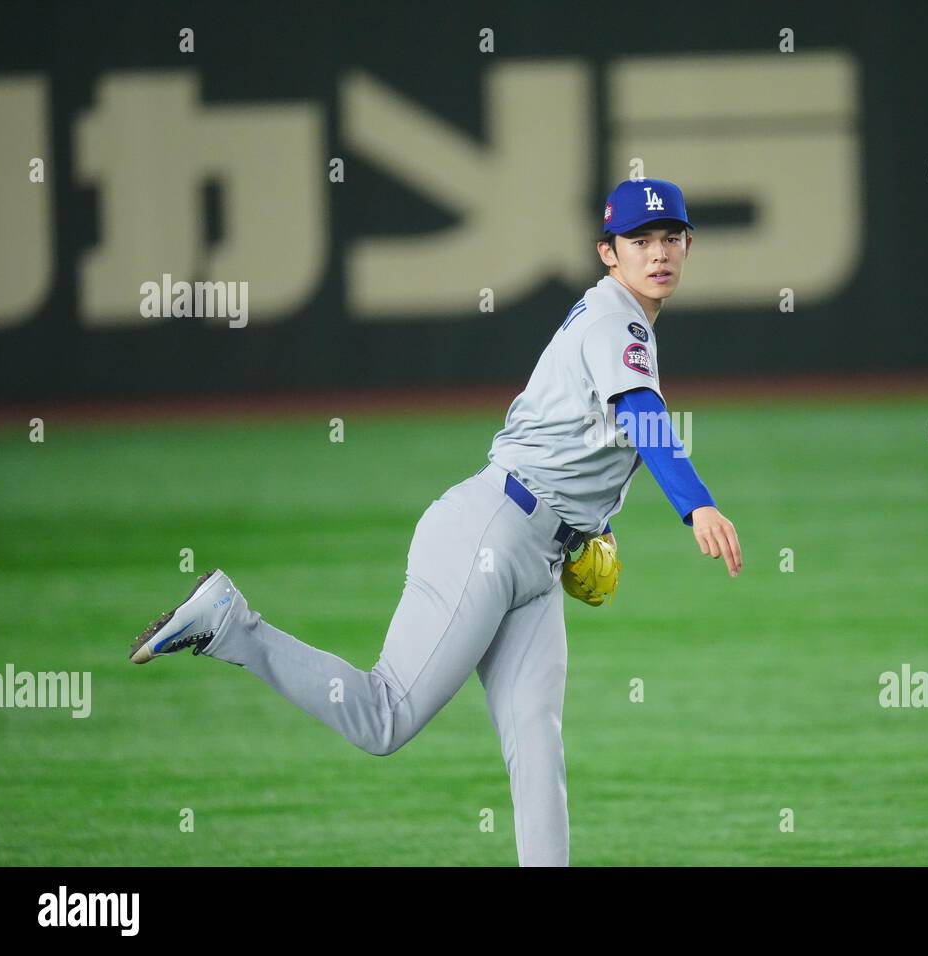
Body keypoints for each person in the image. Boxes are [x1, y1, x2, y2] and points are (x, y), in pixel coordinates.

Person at [127, 177, 743, 866]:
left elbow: (581, 439)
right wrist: (696, 503)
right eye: (639, 240)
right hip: (488, 535)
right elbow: (642, 417)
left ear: (687, 244)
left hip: (532, 555)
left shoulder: (616, 321)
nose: (657, 252)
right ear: (609, 252)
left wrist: (592, 526)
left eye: (669, 237)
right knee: (383, 718)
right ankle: (232, 624)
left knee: (536, 745)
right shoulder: (615, 322)